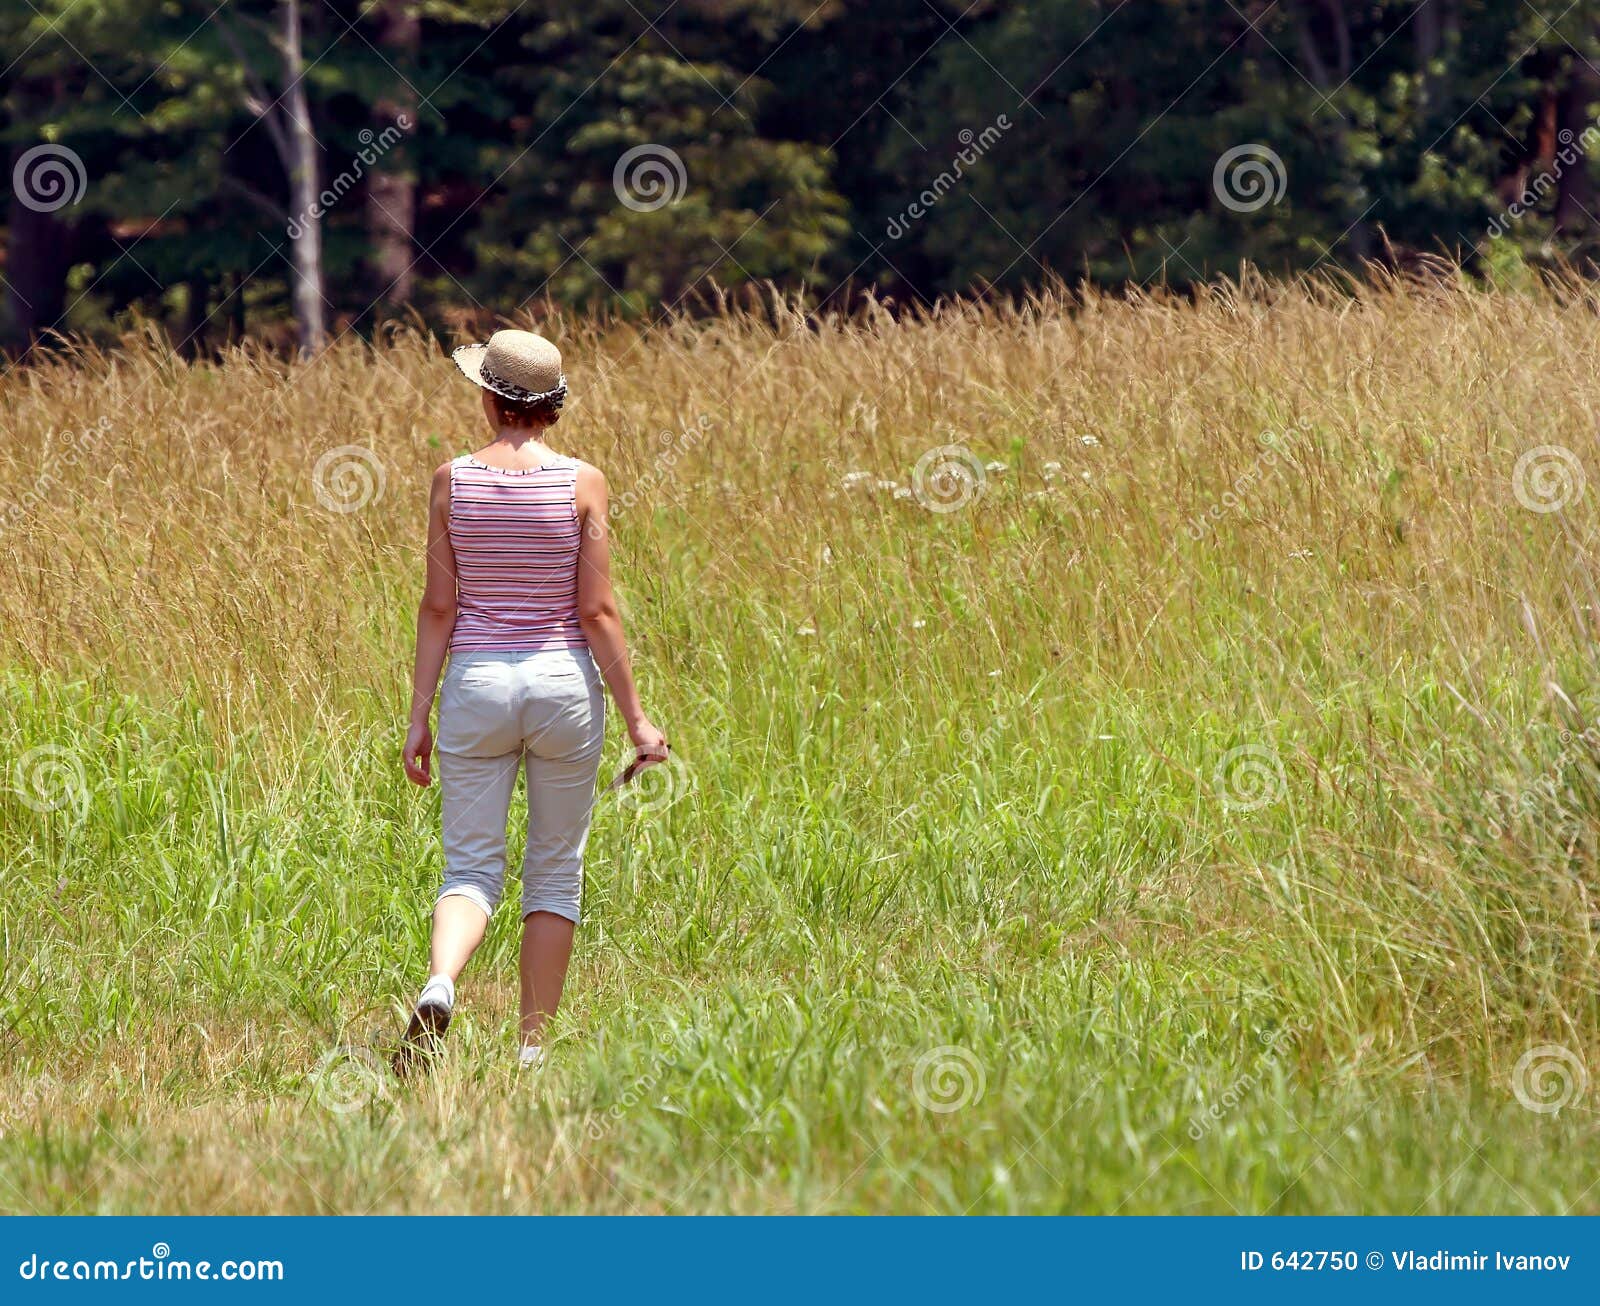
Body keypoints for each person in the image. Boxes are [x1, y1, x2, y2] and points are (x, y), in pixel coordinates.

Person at [395, 328, 667, 1073]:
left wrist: (418, 714)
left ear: (489, 398)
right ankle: (532, 1050)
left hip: (478, 685)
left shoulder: (451, 480)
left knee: (469, 869)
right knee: (553, 869)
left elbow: (438, 607)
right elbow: (597, 612)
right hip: (562, 689)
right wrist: (638, 717)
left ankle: (443, 983)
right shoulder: (584, 484)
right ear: (552, 406)